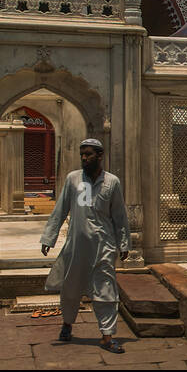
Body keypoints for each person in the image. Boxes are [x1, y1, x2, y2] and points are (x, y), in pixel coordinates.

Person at [40, 138, 130, 353]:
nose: (84, 158)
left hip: (104, 247)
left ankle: (107, 337)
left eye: (88, 154)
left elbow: (120, 216)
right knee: (70, 290)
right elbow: (60, 209)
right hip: (76, 247)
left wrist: (124, 243)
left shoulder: (112, 182)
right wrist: (48, 238)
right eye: (82, 154)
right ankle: (67, 324)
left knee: (106, 290)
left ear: (100, 155)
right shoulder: (73, 180)